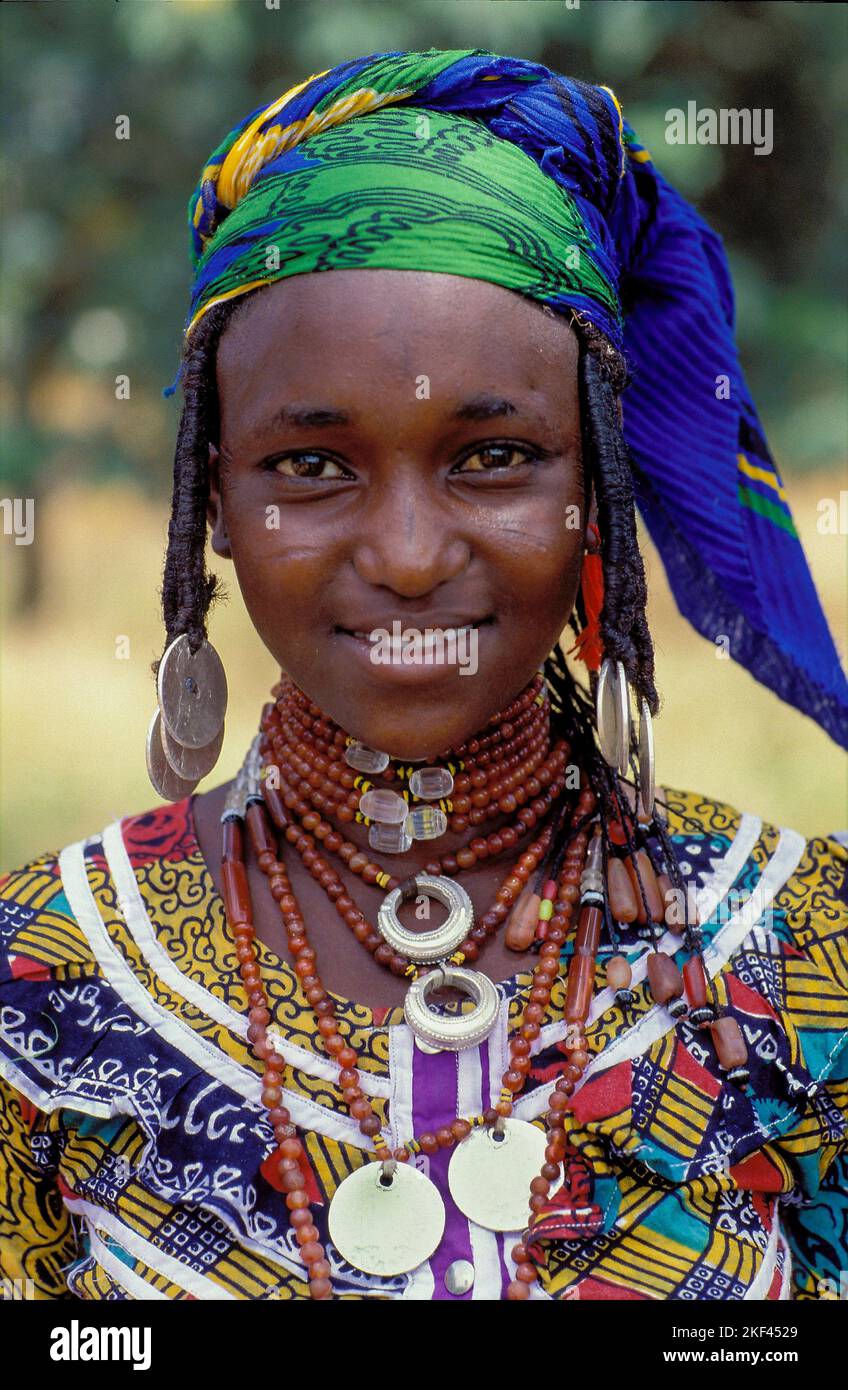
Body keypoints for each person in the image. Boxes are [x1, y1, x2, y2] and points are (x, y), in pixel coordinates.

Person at [1, 47, 846, 1304]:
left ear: (598, 495)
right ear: (212, 497)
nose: (404, 556)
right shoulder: (42, 977)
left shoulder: (800, 948)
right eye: (310, 468)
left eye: (496, 456)